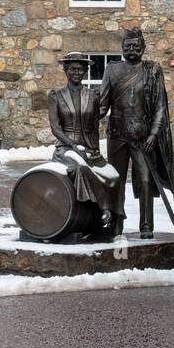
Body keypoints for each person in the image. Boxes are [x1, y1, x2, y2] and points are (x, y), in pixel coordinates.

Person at [99, 27, 174, 237]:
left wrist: (153, 134)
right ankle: (116, 223)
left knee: (144, 180)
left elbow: (160, 107)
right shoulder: (112, 70)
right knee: (116, 180)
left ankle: (146, 225)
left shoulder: (152, 71)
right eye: (127, 46)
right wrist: (84, 117)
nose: (131, 49)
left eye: (135, 46)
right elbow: (102, 104)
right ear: (122, 48)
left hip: (143, 137)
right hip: (117, 134)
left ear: (143, 48)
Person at [48, 53, 122, 237]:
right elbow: (56, 128)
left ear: (85, 71)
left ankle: (115, 219)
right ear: (65, 70)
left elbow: (95, 126)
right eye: (72, 68)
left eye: (80, 69)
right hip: (66, 149)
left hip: (89, 148)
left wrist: (94, 149)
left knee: (113, 176)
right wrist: (71, 144)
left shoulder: (93, 95)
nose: (77, 72)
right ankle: (102, 209)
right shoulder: (56, 96)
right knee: (80, 170)